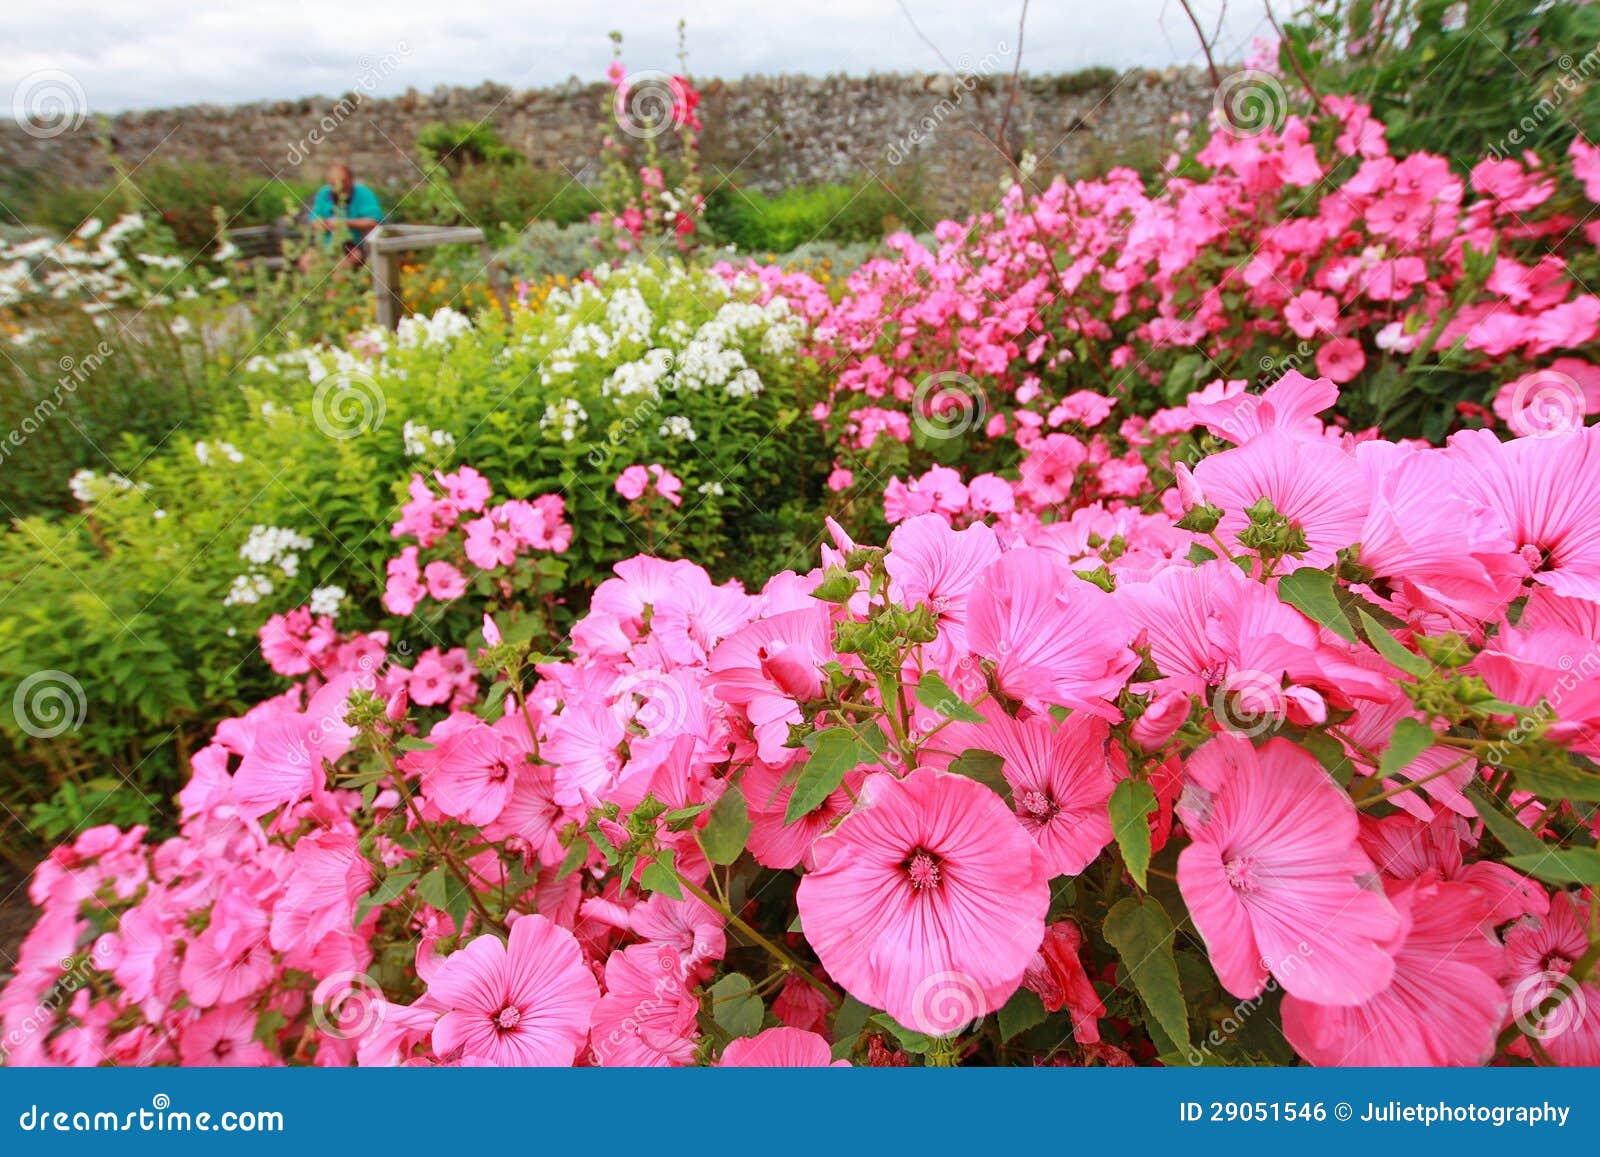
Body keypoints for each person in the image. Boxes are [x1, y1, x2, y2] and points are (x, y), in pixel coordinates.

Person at [306, 163, 384, 266]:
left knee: (340, 267)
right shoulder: (324, 193)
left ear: (351, 180)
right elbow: (314, 219)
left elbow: (374, 221)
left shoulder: (363, 193)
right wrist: (321, 224)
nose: (338, 187)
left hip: (354, 246)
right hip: (326, 246)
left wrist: (343, 223)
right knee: (306, 261)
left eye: (342, 182)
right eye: (333, 183)